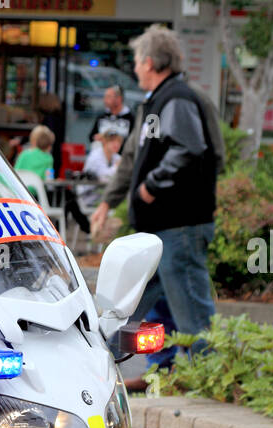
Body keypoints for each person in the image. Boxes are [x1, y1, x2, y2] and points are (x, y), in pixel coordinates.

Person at [88, 25, 220, 382]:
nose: (133, 68)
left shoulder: (177, 99)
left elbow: (191, 149)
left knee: (192, 309)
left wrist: (151, 185)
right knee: (153, 308)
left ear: (149, 62)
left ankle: (210, 379)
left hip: (180, 224)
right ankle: (161, 373)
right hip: (161, 230)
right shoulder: (156, 102)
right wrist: (108, 202)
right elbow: (131, 159)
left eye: (135, 61)